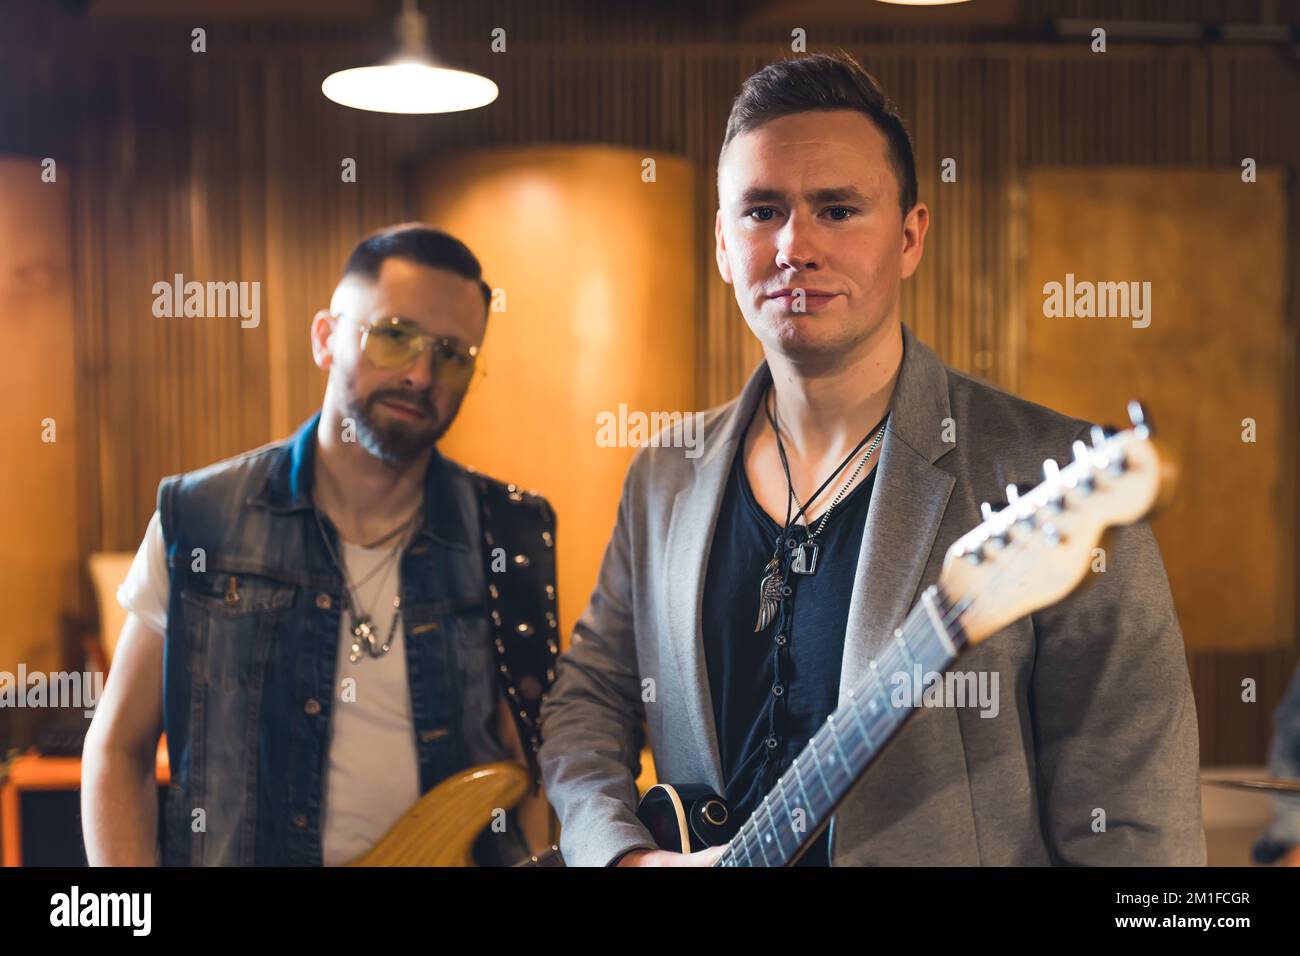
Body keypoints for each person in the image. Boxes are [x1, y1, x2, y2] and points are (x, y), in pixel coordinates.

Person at [538, 53, 1205, 866]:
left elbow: (1141, 832)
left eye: (838, 210)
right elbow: (586, 702)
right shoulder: (664, 474)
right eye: (762, 211)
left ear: (911, 236)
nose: (795, 246)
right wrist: (620, 854)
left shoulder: (1053, 478)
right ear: (722, 242)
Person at [82, 224, 554, 865]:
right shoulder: (201, 516)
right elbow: (118, 750)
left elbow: (534, 766)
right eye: (394, 335)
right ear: (326, 339)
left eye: (452, 354)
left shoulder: (509, 529)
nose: (421, 374)